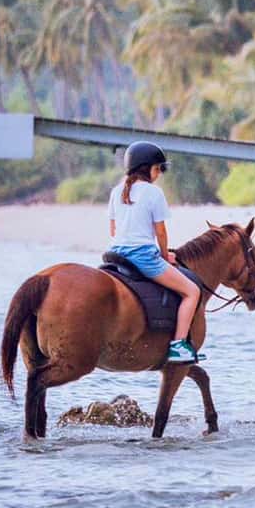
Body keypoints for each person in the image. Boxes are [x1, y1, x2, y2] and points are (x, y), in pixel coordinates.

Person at [108, 141, 201, 364]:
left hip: (115, 253)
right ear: (147, 168)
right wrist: (163, 255)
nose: (159, 173)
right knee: (191, 292)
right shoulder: (153, 193)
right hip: (143, 256)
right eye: (158, 168)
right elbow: (160, 231)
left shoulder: (116, 191)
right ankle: (178, 345)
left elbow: (112, 230)